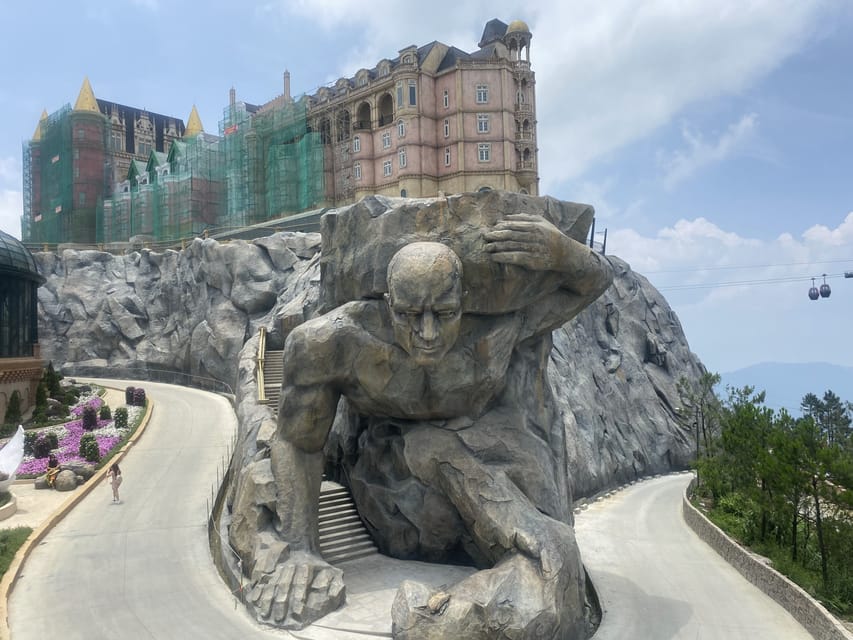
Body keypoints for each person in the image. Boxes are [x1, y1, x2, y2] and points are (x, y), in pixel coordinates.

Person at [247, 212, 614, 635]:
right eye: (410, 314)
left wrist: (564, 253)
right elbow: (299, 443)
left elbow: (593, 283)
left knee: (549, 547)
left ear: (464, 300)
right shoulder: (330, 344)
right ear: (387, 303)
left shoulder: (495, 331)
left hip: (484, 452)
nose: (427, 332)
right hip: (384, 455)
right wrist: (299, 548)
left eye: (444, 313)